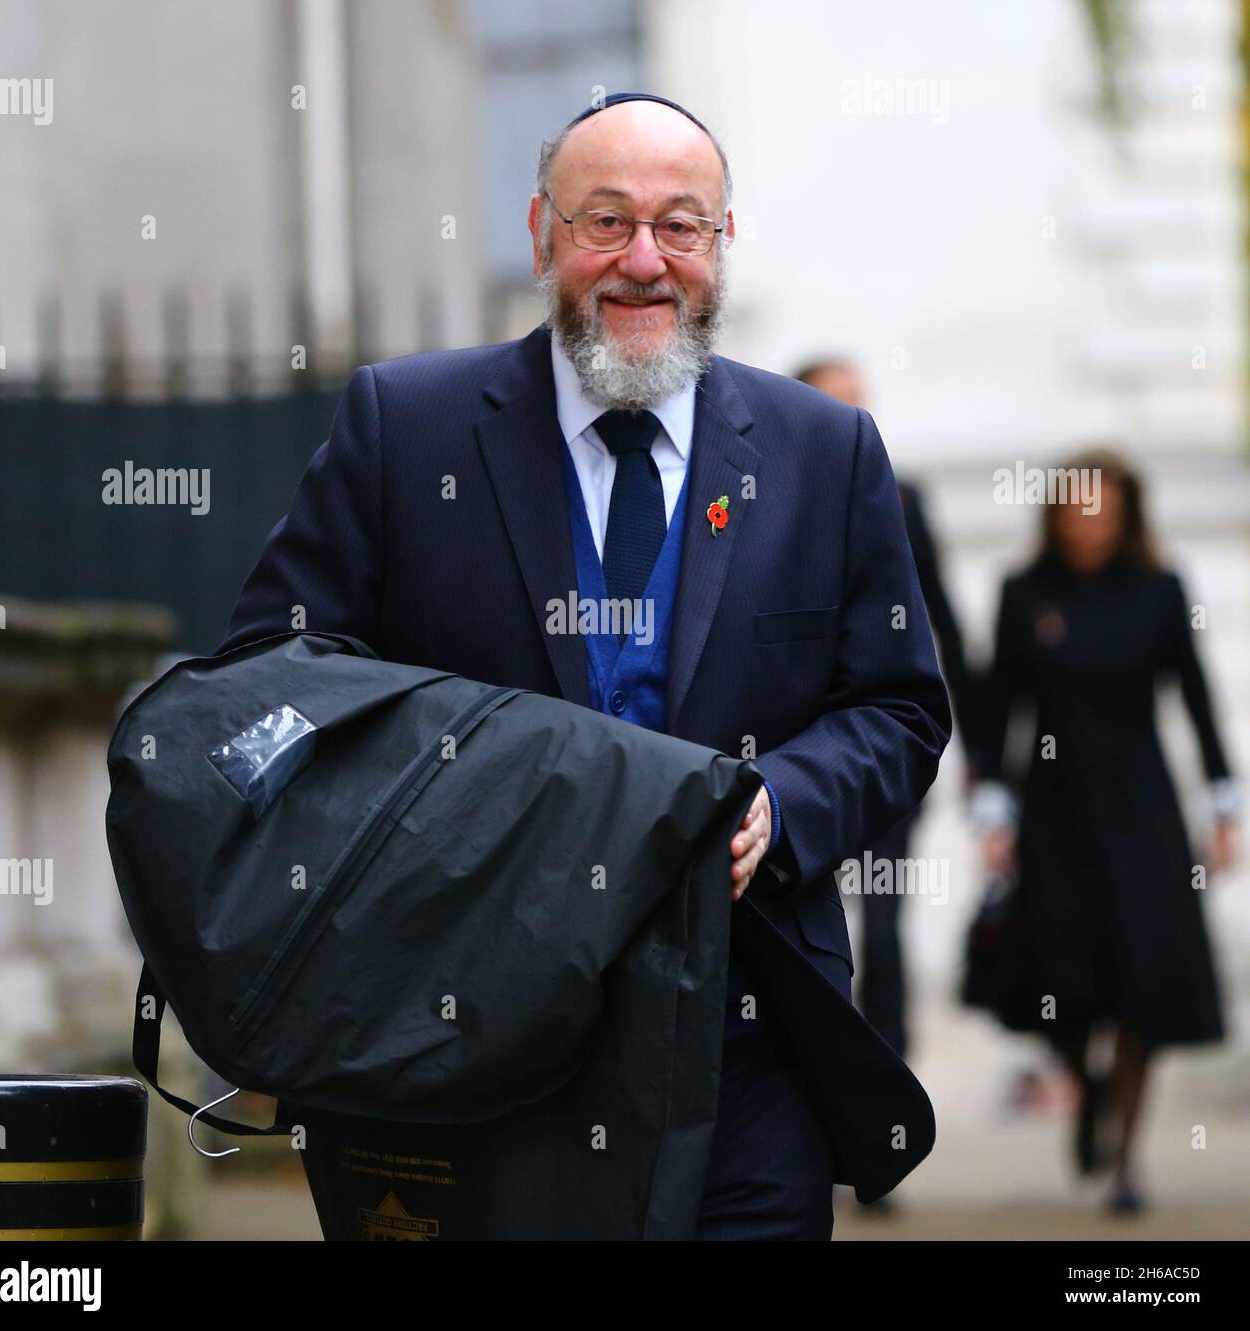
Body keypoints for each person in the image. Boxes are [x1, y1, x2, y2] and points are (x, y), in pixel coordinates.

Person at [217, 92, 951, 1239]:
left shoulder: (825, 450)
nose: (644, 260)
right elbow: (273, 675)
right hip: (461, 1044)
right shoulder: (405, 426)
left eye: (680, 225)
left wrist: (782, 801)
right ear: (540, 233)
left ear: (721, 241)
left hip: (746, 1041)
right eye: (605, 221)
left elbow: (899, 707)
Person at [972, 447, 1240, 1214]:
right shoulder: (1024, 593)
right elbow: (996, 707)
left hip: (1142, 814)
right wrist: (992, 809)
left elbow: (1195, 695)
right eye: (1076, 511)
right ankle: (1084, 1083)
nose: (1089, 527)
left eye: (1105, 513)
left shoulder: (1159, 589)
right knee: (1057, 975)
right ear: (1054, 514)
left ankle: (1125, 1158)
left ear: (1126, 518)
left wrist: (1223, 804)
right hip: (1052, 813)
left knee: (1138, 982)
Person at [795, 358, 979, 1063]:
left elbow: (945, 623)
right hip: (793, 748)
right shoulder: (762, 490)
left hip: (881, 742)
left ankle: (885, 1072)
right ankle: (819, 1065)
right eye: (835, 403)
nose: (853, 419)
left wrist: (978, 751)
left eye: (859, 403)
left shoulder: (898, 498)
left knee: (884, 918)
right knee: (803, 920)